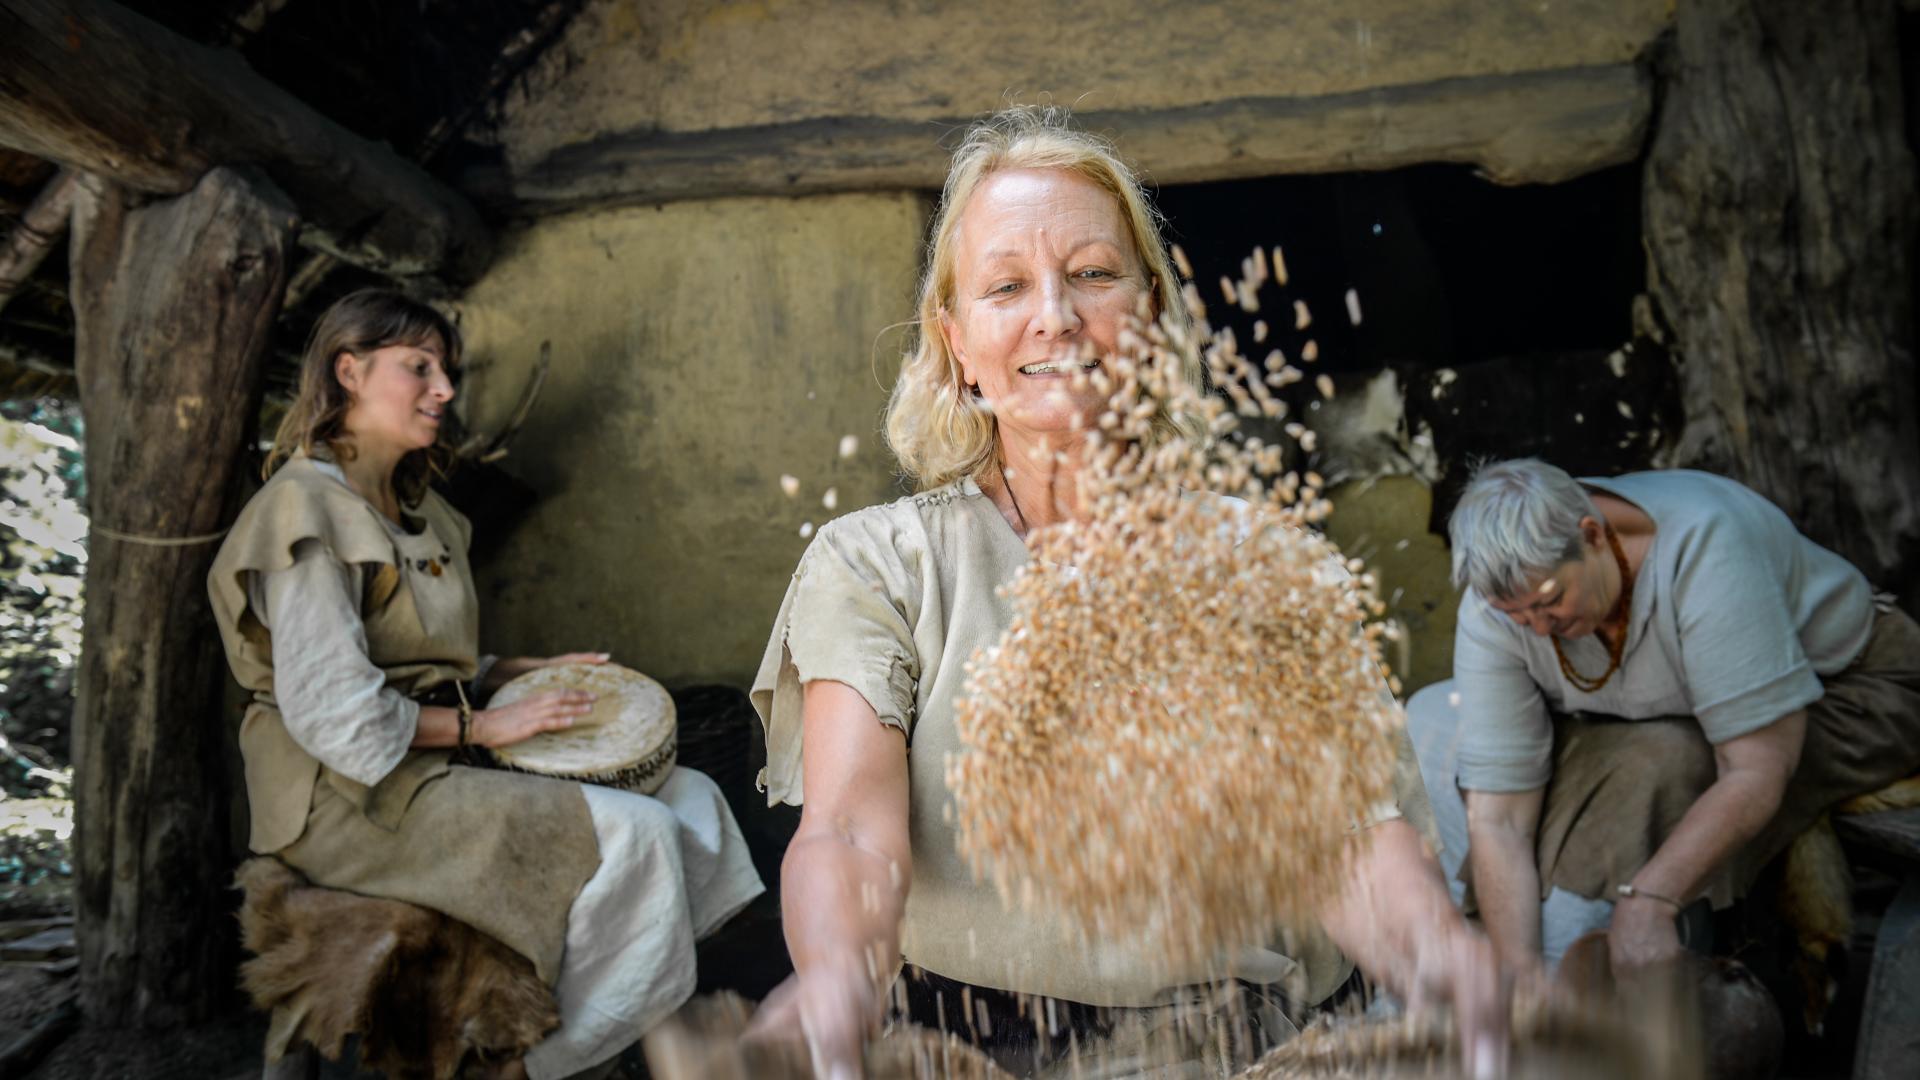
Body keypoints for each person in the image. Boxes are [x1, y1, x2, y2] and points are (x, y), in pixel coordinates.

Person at [747, 107, 1506, 1079]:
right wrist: (835, 987)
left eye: (1094, 274)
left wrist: (1452, 970)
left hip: (1205, 1040)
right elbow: (850, 828)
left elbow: (1343, 844)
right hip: (948, 1042)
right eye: (1007, 286)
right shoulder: (878, 565)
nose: (1055, 314)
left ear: (1149, 312)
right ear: (958, 345)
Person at [207, 289, 764, 1080]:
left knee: (694, 800)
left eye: (448, 372)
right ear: (349, 371)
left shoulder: (415, 509)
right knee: (635, 835)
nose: (443, 390)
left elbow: (419, 658)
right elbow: (336, 715)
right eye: (419, 368)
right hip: (344, 798)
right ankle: (543, 1064)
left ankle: (597, 1016)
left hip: (434, 765)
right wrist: (485, 730)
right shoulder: (302, 512)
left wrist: (509, 673)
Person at [1407, 458, 1920, 978]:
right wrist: (1519, 979)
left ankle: (1639, 966)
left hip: (1849, 694)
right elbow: (1499, 817)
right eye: (1515, 616)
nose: (1537, 628)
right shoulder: (1496, 603)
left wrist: (1650, 899)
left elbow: (1756, 768)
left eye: (1552, 601)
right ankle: (1515, 974)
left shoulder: (1704, 548)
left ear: (1592, 536)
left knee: (1659, 770)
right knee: (1435, 719)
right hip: (1664, 714)